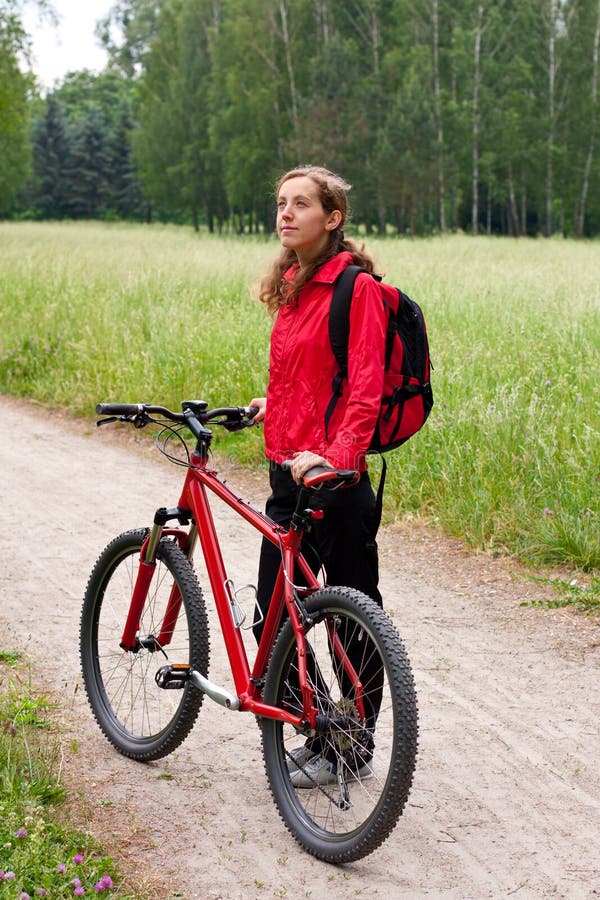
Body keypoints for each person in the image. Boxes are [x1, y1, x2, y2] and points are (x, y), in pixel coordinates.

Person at [249, 165, 387, 785]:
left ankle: (353, 746)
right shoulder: (294, 285)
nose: (286, 213)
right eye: (281, 202)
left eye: (300, 204)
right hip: (288, 476)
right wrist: (272, 406)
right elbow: (308, 377)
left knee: (350, 623)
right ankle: (322, 731)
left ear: (332, 218)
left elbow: (365, 388)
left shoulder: (356, 289)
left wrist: (338, 458)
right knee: (272, 617)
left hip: (335, 480)